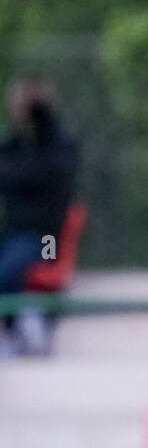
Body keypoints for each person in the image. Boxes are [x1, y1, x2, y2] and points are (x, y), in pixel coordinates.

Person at [0, 78, 77, 294]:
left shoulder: (58, 147)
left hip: (47, 242)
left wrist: (43, 120)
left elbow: (39, 173)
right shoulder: (17, 144)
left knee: (6, 272)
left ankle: (19, 321)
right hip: (14, 234)